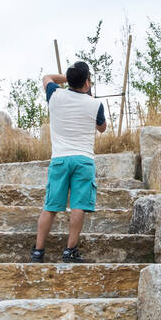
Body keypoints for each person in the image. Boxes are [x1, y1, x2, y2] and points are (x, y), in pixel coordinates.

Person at [31, 62, 106, 263]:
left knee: (51, 206)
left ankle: (38, 251)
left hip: (60, 158)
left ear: (70, 80)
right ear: (87, 82)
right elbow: (102, 128)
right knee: (79, 205)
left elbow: (47, 77)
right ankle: (70, 250)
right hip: (83, 159)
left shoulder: (55, 95)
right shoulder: (95, 104)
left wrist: (68, 77)